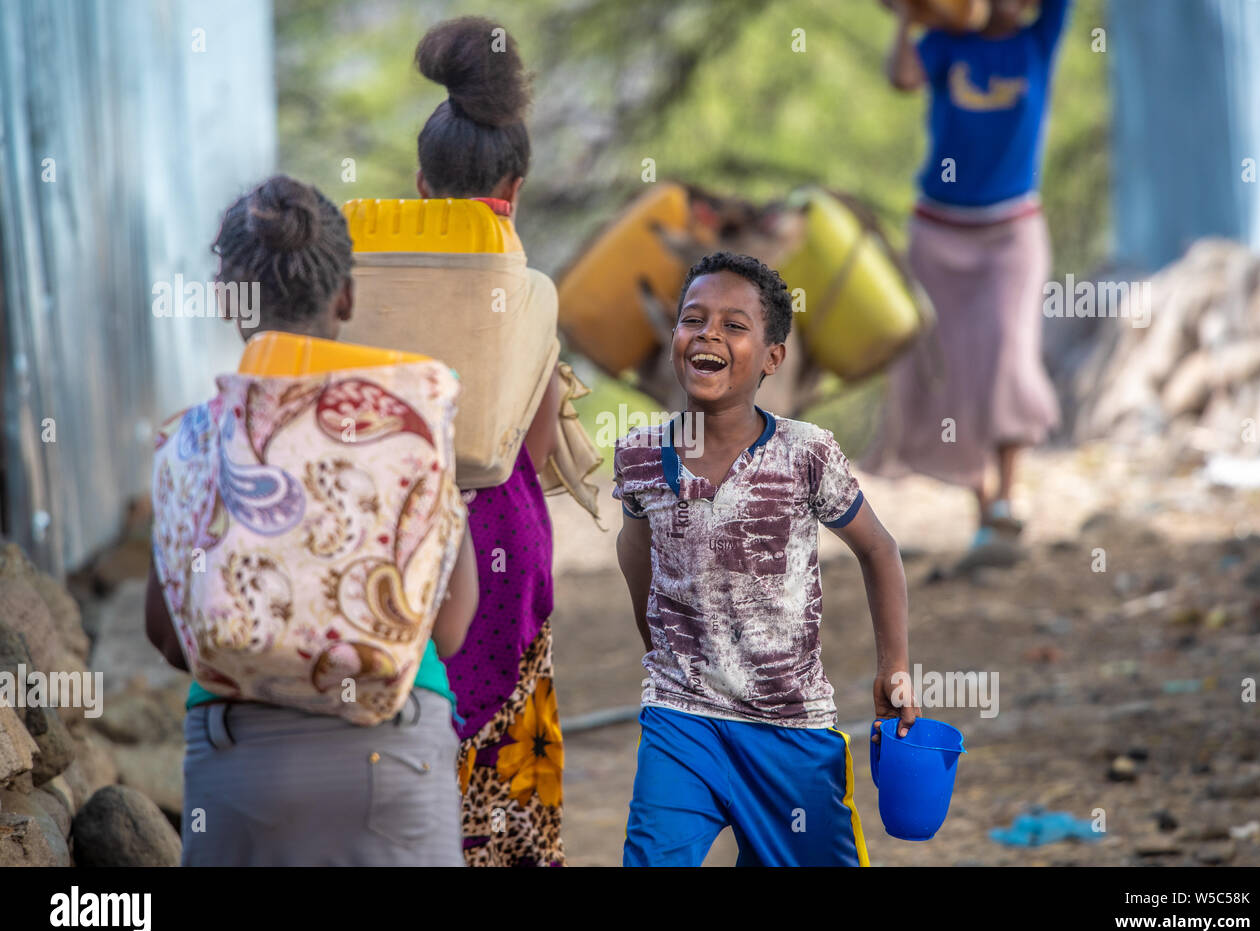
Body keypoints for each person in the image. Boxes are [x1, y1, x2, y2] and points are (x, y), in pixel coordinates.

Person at [145, 174, 479, 865]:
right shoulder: (410, 427)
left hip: (236, 760)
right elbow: (449, 629)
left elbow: (173, 639)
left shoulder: (189, 444)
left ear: (226, 301)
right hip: (391, 752)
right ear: (347, 295)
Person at [613, 252, 920, 867]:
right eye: (693, 319)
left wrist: (895, 667)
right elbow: (636, 546)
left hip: (791, 732)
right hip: (682, 720)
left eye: (734, 325)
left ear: (772, 358)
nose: (708, 335)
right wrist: (663, 648)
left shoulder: (806, 453)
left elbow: (878, 548)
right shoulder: (640, 454)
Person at [410, 16, 588, 867]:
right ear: (514, 190)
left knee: (420, 707)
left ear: (419, 184)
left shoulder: (375, 285)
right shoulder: (529, 296)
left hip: (409, 524)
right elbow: (544, 437)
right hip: (507, 531)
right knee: (508, 727)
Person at [866, 0, 1070, 547]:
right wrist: (911, 14)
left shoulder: (1038, 40)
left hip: (1013, 233)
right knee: (951, 369)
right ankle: (983, 506)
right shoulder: (946, 44)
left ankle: (1010, 490)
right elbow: (902, 77)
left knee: (1006, 353)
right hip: (937, 232)